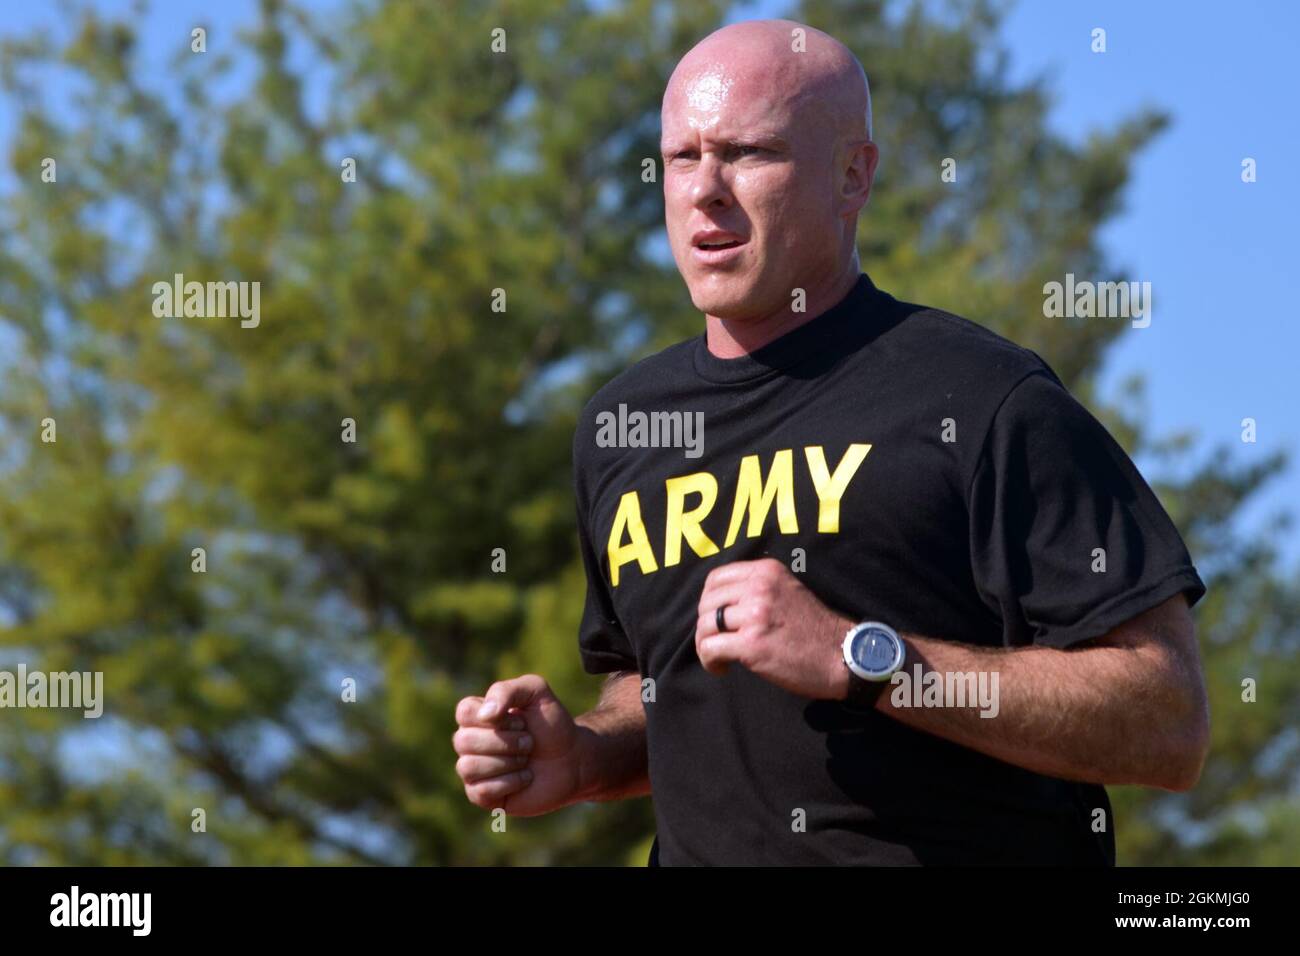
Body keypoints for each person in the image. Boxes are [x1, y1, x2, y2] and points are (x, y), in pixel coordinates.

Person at [452, 18, 1209, 865]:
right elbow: (663, 689)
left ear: (853, 176)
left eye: (748, 154)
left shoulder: (983, 396)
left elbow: (1167, 719)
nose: (705, 189)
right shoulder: (622, 426)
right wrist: (587, 756)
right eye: (680, 158)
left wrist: (867, 660)